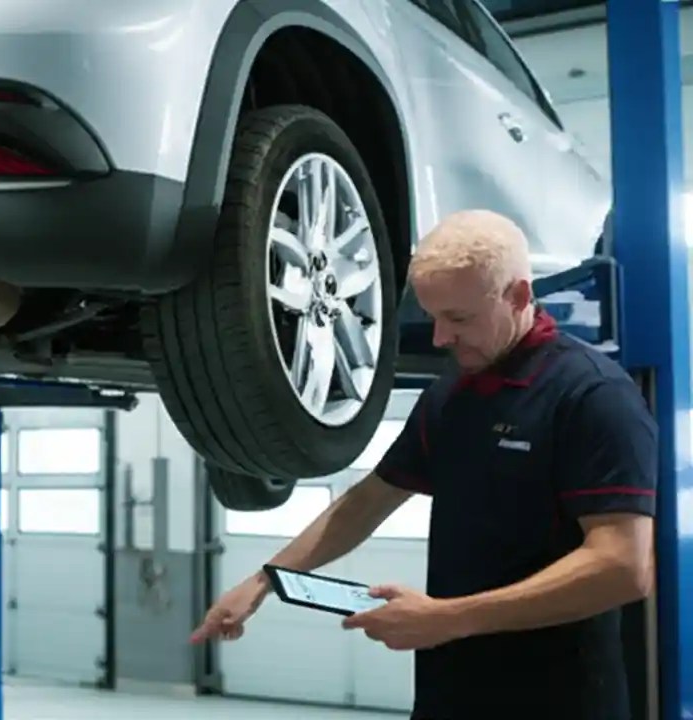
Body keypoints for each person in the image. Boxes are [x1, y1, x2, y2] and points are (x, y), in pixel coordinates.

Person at [191, 209, 657, 719]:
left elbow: (622, 567)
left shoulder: (592, 396)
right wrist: (264, 580)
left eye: (458, 318)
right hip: (450, 694)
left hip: (561, 701)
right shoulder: (452, 392)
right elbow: (368, 500)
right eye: (434, 317)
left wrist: (448, 619)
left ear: (519, 297)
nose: (440, 338)